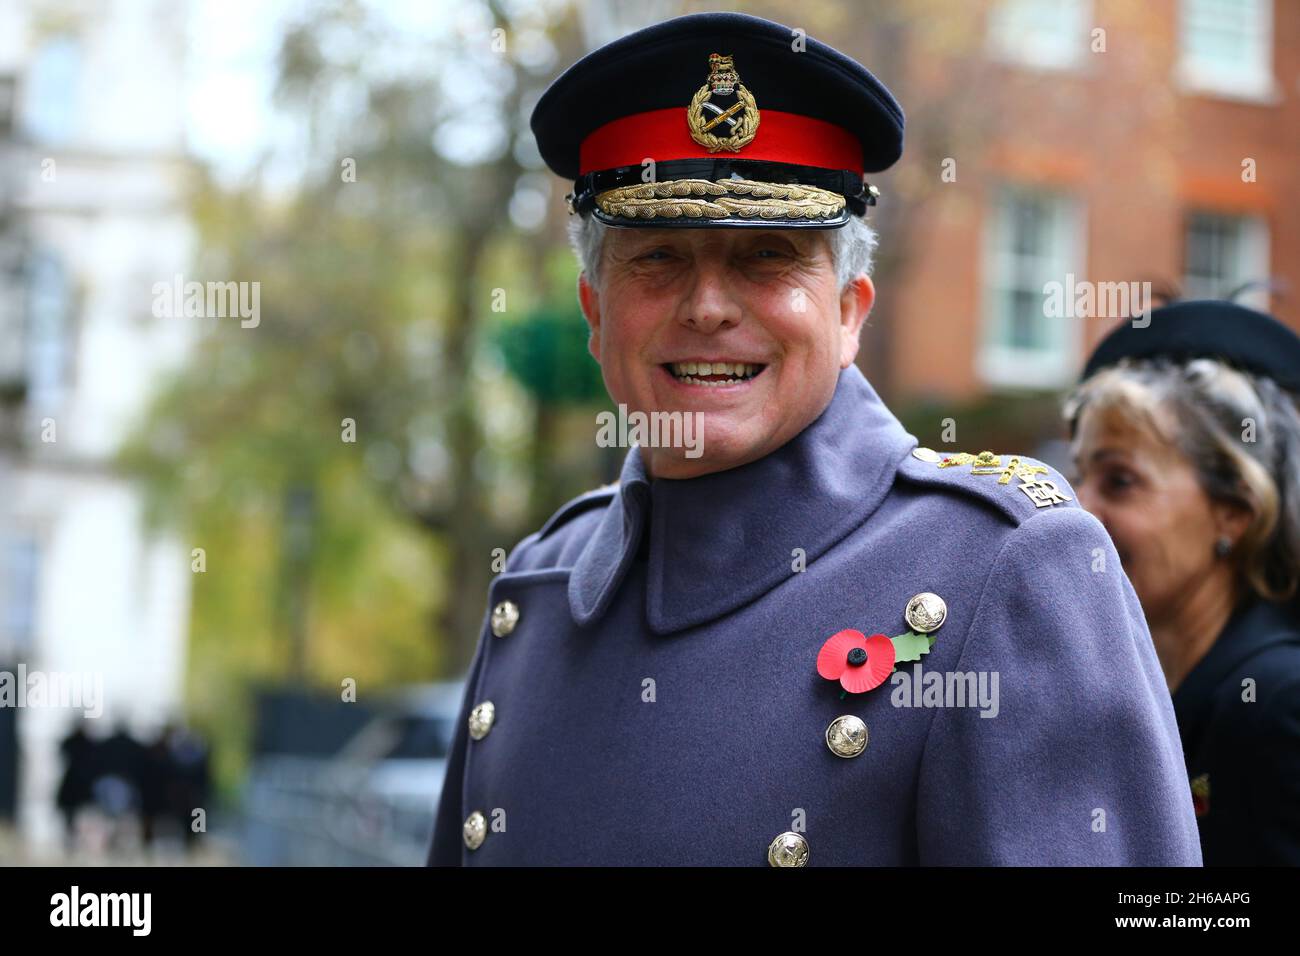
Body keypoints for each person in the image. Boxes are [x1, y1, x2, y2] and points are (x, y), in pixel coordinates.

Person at [428, 11, 1200, 866]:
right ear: (595, 312)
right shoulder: (537, 583)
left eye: (767, 257)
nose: (709, 306)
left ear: (846, 312)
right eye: (658, 258)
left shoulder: (1005, 568)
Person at [1067, 298, 1300, 865]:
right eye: (1079, 475)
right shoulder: (1127, 680)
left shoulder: (1275, 703)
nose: (1078, 509)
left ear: (1235, 512)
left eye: (1119, 481)